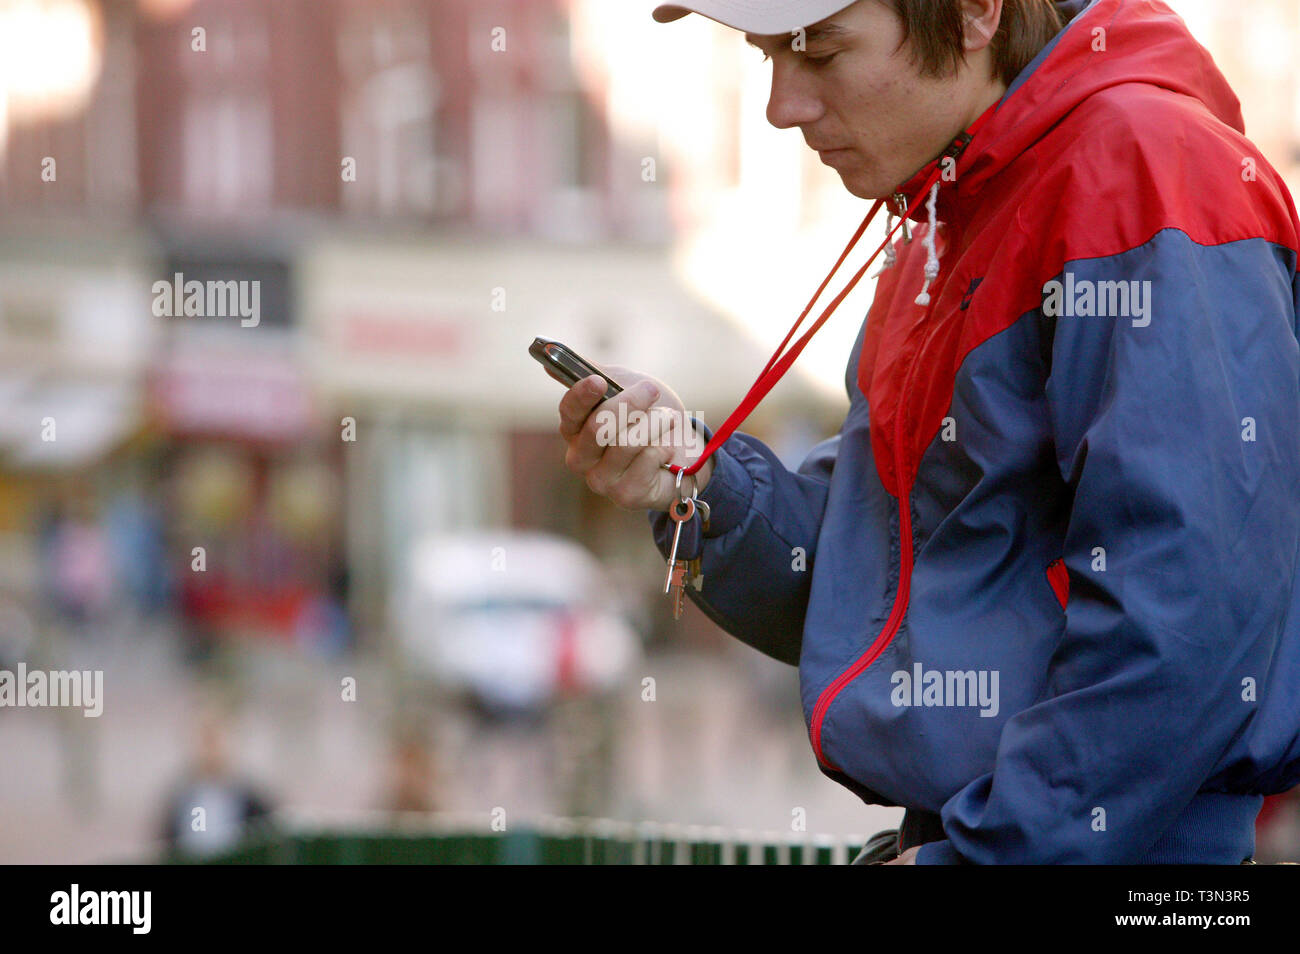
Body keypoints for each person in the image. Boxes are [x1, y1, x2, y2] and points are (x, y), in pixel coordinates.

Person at [556, 0, 1300, 863]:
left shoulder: (1142, 167)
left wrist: (987, 855)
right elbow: (880, 580)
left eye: (820, 51)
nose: (780, 106)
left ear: (978, 14)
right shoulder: (947, 207)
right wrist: (694, 480)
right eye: (767, 57)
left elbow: (1190, 609)